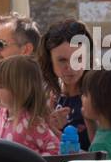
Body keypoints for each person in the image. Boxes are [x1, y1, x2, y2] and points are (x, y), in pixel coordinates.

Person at [39, 19, 92, 148]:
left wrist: (62, 130)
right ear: (49, 61)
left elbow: (103, 152)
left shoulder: (98, 97)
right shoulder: (43, 96)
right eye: (62, 60)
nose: (71, 67)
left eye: (78, 58)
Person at [0, 55, 60, 156]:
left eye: (1, 86)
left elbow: (54, 147)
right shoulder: (3, 113)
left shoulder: (30, 121)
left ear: (19, 90)